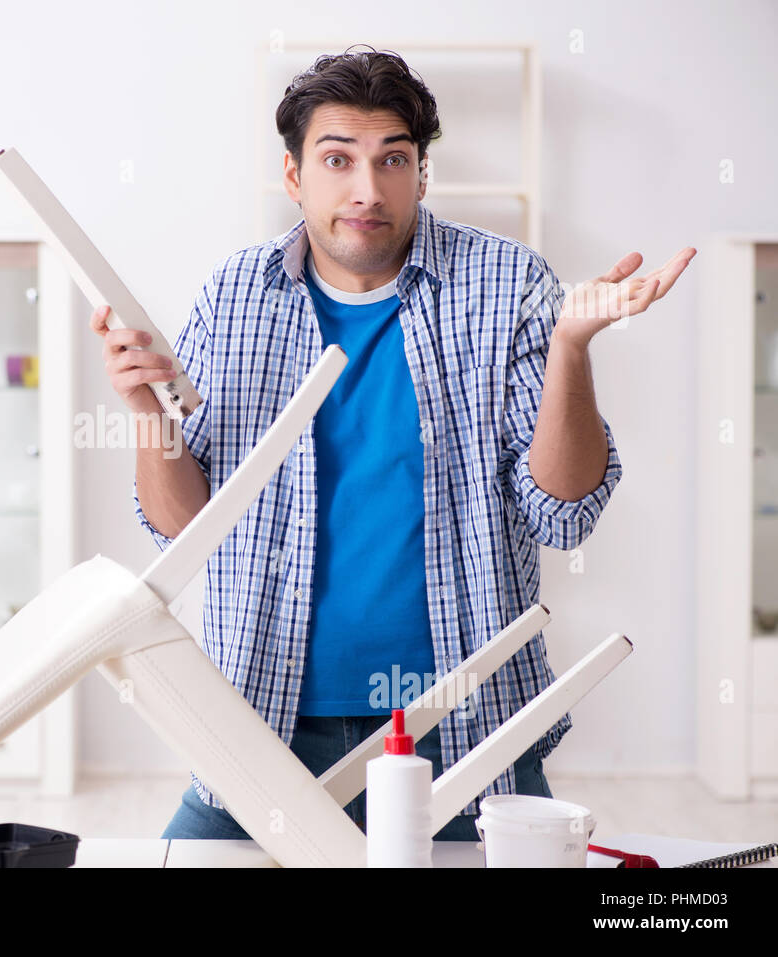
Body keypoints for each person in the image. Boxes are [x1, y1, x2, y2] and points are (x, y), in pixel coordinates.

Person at [90, 45, 694, 841]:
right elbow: (183, 527)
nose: (367, 190)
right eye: (337, 160)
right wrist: (144, 407)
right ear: (295, 176)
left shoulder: (509, 283)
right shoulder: (235, 294)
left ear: (422, 171)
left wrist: (571, 348)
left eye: (393, 159)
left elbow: (563, 513)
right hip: (261, 725)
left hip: (468, 734)